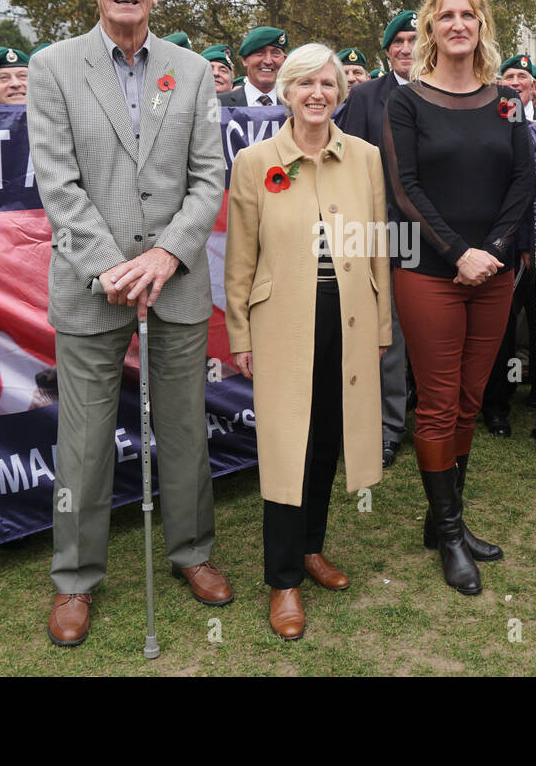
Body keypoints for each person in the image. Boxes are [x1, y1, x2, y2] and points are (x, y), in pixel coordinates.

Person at [28, 0, 230, 647]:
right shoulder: (52, 67)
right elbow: (58, 180)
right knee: (83, 442)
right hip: (92, 287)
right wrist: (111, 264)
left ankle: (193, 553)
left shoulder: (193, 71)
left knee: (182, 429)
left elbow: (210, 176)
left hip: (173, 285)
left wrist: (169, 255)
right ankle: (75, 578)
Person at [224, 43, 391, 640]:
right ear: (287, 92)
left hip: (348, 314)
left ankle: (314, 548)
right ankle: (284, 578)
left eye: (327, 84)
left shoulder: (365, 158)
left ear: (340, 93)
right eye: (305, 84)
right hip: (281, 321)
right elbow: (241, 256)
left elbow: (378, 249)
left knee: (327, 438)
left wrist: (381, 324)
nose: (318, 93)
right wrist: (239, 331)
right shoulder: (255, 160)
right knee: (287, 445)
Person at [381, 0, 532, 595]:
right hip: (429, 272)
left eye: (469, 14)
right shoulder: (407, 103)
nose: (459, 24)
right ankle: (448, 536)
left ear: (482, 26)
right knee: (439, 403)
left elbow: (523, 183)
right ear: (431, 28)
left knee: (471, 399)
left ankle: (447, 516)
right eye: (447, 15)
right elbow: (404, 189)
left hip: (494, 274)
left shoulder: (507, 103)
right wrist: (458, 252)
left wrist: (492, 251)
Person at [339, 9, 418, 468]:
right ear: (386, 50)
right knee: (385, 333)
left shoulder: (441, 91)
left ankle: (432, 419)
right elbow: (349, 167)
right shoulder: (367, 96)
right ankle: (388, 428)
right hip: (380, 233)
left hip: (434, 238)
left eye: (413, 40)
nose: (406, 49)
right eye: (398, 42)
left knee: (428, 334)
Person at [217, 26, 289, 107]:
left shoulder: (294, 104)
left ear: (284, 60)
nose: (268, 61)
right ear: (244, 60)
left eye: (275, 53)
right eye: (259, 53)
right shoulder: (219, 105)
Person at [498, 54, 536, 121]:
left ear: (533, 85)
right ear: (499, 85)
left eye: (522, 77)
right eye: (509, 77)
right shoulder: (489, 118)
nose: (515, 83)